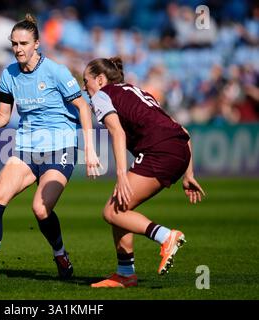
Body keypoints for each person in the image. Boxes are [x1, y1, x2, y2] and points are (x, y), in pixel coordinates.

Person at [0, 14, 100, 281]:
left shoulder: (56, 71)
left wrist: (91, 149)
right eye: (14, 43)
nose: (18, 49)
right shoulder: (8, 74)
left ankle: (60, 254)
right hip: (26, 147)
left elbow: (83, 106)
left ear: (37, 43)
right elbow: (4, 116)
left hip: (61, 147)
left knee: (40, 209)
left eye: (24, 43)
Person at [82, 57, 205, 288]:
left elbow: (117, 133)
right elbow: (183, 131)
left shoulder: (101, 95)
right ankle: (125, 274)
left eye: (85, 80)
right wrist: (188, 175)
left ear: (100, 79)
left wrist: (120, 175)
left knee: (111, 212)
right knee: (121, 208)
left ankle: (166, 237)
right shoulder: (137, 91)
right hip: (177, 148)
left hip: (158, 151)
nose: (84, 87)